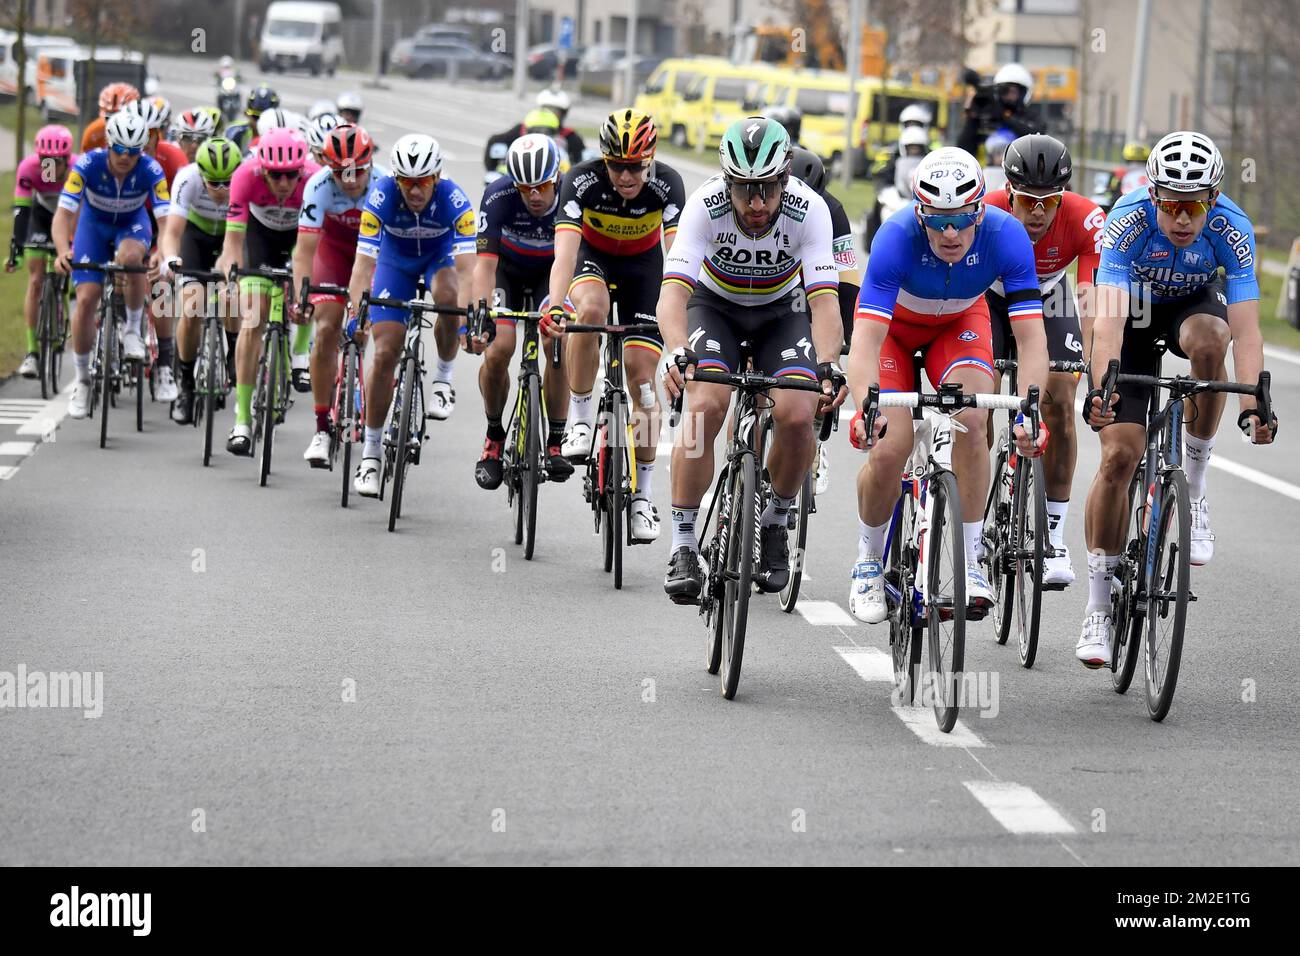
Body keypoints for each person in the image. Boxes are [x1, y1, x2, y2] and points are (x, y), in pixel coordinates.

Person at [1077, 131, 1275, 668]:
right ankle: (1097, 603)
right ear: (1154, 196)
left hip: (1192, 307)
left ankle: (1194, 479)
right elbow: (1108, 322)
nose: (1183, 219)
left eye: (1194, 206)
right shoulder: (1128, 219)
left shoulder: (1231, 228)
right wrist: (1103, 390)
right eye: (1171, 206)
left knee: (1213, 341)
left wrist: (1253, 401)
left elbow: (1248, 329)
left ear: (1212, 201)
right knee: (1119, 456)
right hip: (1133, 316)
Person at [846, 146, 1049, 624]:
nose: (951, 233)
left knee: (973, 418)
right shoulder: (895, 236)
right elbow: (866, 339)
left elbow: (1031, 338)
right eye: (937, 221)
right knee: (891, 443)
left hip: (958, 327)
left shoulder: (1008, 236)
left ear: (981, 208)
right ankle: (869, 559)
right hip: (894, 334)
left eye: (961, 218)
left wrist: (1030, 412)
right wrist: (864, 408)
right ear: (920, 213)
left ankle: (972, 557)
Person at [659, 117, 847, 600]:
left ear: (786, 179)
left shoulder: (810, 210)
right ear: (728, 182)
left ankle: (776, 521)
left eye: (768, 188)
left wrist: (829, 365)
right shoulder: (705, 205)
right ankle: (682, 543)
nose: (758, 203)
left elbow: (825, 301)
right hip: (714, 306)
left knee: (798, 413)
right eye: (745, 189)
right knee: (704, 407)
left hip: (780, 313)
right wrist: (677, 352)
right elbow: (673, 296)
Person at [547, 108, 686, 542]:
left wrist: (682, 313)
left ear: (651, 159)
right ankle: (583, 419)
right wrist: (554, 305)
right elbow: (565, 254)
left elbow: (678, 258)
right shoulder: (582, 180)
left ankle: (643, 497)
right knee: (588, 311)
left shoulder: (668, 183)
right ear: (604, 160)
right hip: (594, 258)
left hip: (644, 270)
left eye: (635, 166)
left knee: (643, 381)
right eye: (617, 166)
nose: (626, 176)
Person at [984, 133, 1104, 585]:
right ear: (1010, 193)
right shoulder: (986, 210)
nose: (1037, 212)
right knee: (981, 400)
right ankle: (978, 516)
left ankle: (1052, 534)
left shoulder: (1086, 218)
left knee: (1059, 398)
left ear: (1063, 196)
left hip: (1049, 299)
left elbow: (1092, 303)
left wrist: (1088, 363)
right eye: (1028, 200)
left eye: (1049, 201)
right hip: (991, 298)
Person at [346, 134, 476, 497]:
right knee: (386, 351)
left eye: (422, 182)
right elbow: (363, 266)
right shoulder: (382, 196)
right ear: (396, 179)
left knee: (449, 297)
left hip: (439, 259)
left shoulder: (454, 199)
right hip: (394, 263)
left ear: (436, 177)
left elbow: (468, 273)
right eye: (406, 181)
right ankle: (371, 453)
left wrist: (466, 321)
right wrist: (358, 312)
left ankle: (443, 380)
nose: (414, 190)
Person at [471, 134, 574, 489]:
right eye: (524, 188)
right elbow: (484, 266)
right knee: (499, 349)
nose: (533, 196)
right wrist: (481, 311)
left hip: (551, 277)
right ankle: (494, 437)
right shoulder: (498, 195)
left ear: (557, 177)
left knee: (555, 347)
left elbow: (576, 258)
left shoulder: (571, 195)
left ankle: (555, 440)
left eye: (542, 186)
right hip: (508, 274)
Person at [53, 109, 170, 420]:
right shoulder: (87, 164)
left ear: (142, 151)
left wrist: (163, 252)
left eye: (133, 152)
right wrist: (63, 250)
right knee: (88, 298)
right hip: (93, 226)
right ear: (108, 144)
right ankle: (81, 380)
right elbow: (63, 215)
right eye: (119, 149)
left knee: (133, 261)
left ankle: (133, 330)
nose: (125, 158)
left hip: (131, 224)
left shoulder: (151, 169)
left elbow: (165, 220)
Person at [214, 128, 320, 454]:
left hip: (300, 238)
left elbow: (316, 248)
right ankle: (242, 419)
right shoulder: (245, 176)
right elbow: (232, 243)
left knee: (305, 291)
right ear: (263, 170)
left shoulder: (315, 180)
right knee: (253, 318)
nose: (285, 183)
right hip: (259, 238)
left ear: (301, 170)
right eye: (277, 176)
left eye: (291, 175)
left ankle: (300, 353)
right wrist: (232, 277)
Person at [295, 123, 381, 466]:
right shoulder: (317, 186)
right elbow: (304, 251)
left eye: (357, 171)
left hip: (372, 257)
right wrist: (302, 295)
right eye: (340, 172)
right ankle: (321, 429)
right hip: (332, 254)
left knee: (362, 325)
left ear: (369, 164)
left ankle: (356, 362)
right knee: (327, 326)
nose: (348, 179)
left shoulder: (384, 186)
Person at [788, 145, 861, 494]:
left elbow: (845, 281)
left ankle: (815, 441)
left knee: (821, 373)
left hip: (817, 291)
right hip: (773, 290)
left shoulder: (833, 211)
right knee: (754, 390)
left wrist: (846, 338)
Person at [158, 137, 243, 424]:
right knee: (192, 305)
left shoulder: (243, 181)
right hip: (196, 238)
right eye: (214, 183)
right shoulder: (187, 178)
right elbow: (172, 232)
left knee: (231, 293)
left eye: (227, 182)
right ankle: (185, 384)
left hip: (231, 236)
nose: (222, 190)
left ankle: (233, 353)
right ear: (201, 174)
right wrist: (170, 258)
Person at [7, 125, 75, 379]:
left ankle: (62, 306)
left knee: (67, 266)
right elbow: (21, 211)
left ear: (67, 159)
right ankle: (32, 352)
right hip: (41, 216)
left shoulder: (78, 169)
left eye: (56, 162)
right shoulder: (29, 169)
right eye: (45, 160)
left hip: (70, 218)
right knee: (35, 280)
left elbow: (83, 214)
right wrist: (17, 248)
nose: (50, 167)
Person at [957, 63, 1043, 156]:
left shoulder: (1029, 116)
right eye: (1003, 91)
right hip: (987, 169)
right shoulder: (987, 115)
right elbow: (964, 148)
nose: (1007, 96)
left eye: (1012, 91)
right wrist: (973, 118)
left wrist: (1005, 117)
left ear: (1023, 92)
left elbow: (1037, 135)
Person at [81, 82, 140, 153]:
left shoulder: (144, 132)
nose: (116, 125)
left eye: (122, 119)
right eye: (109, 118)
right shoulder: (93, 132)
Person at [535, 87, 585, 166]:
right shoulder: (523, 129)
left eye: (555, 111)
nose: (550, 114)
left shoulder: (572, 137)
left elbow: (580, 163)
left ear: (563, 114)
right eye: (547, 109)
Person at [224, 85, 279, 153]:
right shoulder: (235, 133)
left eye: (266, 119)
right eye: (256, 117)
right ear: (247, 114)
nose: (260, 123)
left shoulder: (283, 138)